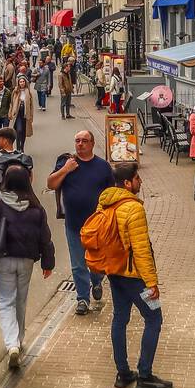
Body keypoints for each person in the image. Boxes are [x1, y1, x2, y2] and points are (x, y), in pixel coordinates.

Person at [93, 163, 171, 388]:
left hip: (114, 272)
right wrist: (151, 282)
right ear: (127, 183)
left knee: (119, 319)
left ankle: (123, 372)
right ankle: (145, 376)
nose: (140, 182)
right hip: (135, 276)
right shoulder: (133, 209)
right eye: (137, 178)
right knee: (154, 317)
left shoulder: (104, 203)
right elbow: (141, 250)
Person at [0, 165, 55, 369]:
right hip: (27, 260)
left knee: (5, 301)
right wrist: (48, 263)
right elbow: (45, 239)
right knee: (21, 300)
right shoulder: (36, 208)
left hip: (3, 258)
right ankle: (19, 340)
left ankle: (11, 343)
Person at [47, 129, 115, 316]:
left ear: (92, 144)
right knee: (78, 264)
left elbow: (112, 194)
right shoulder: (67, 163)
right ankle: (82, 298)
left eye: (85, 141)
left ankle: (97, 280)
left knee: (96, 262)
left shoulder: (102, 167)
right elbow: (51, 184)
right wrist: (66, 169)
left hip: (97, 225)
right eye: (77, 140)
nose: (80, 144)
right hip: (74, 224)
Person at [0, 126, 34, 209]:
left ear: (5, 141)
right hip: (19, 195)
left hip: (0, 194)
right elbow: (30, 177)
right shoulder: (23, 157)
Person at [9, 74, 34, 153]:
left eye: (23, 81)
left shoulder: (28, 92)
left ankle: (22, 148)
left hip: (25, 114)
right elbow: (12, 103)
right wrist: (11, 112)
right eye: (20, 82)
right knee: (18, 130)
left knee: (24, 131)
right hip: (18, 114)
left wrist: (31, 116)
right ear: (18, 83)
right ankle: (18, 147)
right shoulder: (15, 91)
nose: (22, 83)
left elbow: (31, 105)